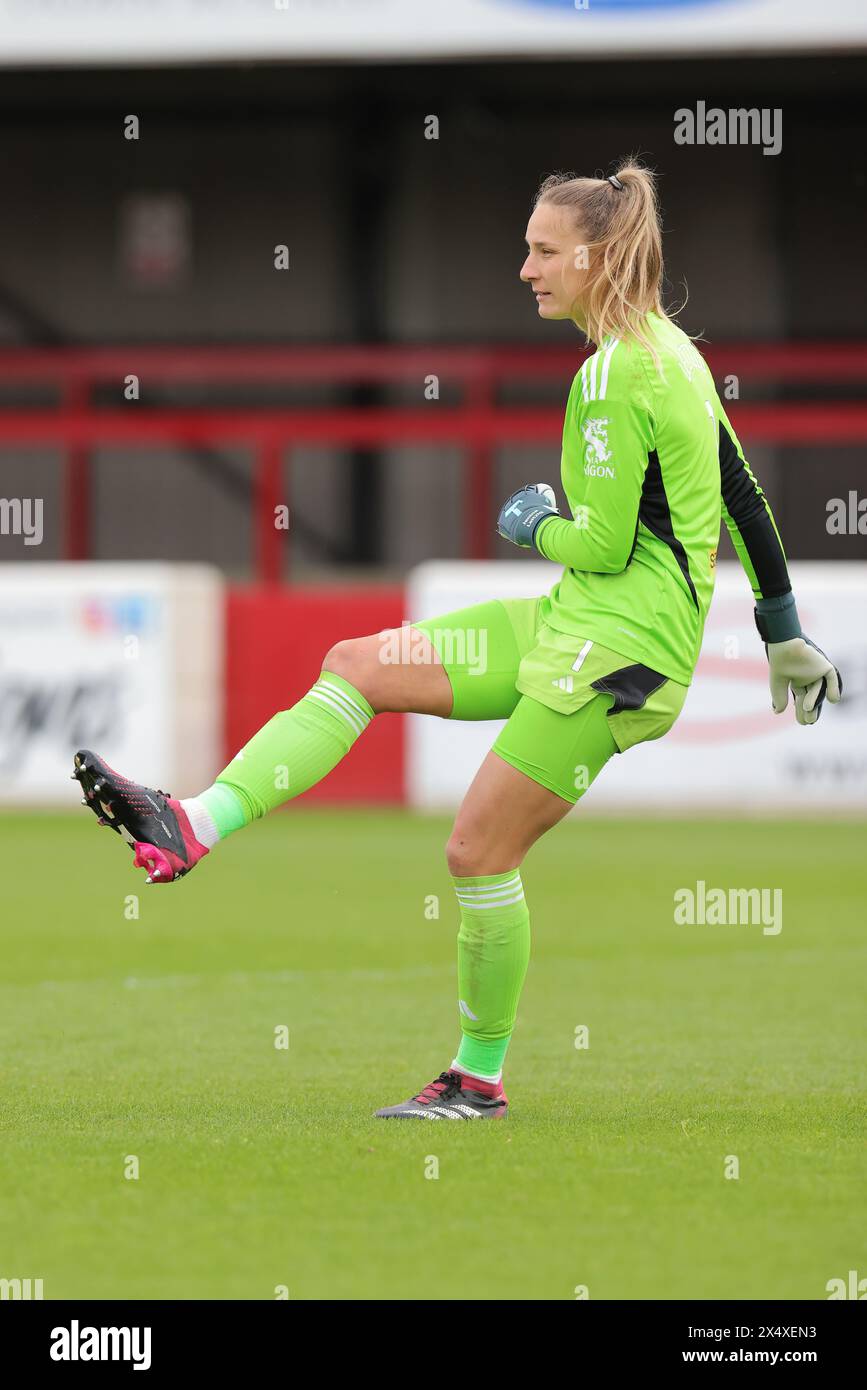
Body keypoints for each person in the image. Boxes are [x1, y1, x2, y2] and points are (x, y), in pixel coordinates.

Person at [72, 161, 841, 1122]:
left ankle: (476, 1078)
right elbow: (743, 491)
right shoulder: (674, 350)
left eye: (542, 251)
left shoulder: (611, 374)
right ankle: (194, 823)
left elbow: (599, 543)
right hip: (579, 621)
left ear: (594, 257)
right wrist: (782, 629)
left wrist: (528, 522)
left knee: (477, 851)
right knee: (359, 663)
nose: (525, 268)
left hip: (618, 649)